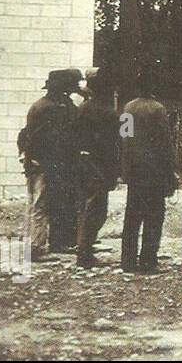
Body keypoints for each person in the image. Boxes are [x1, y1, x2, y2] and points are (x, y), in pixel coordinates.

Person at [18, 69, 82, 259]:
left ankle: (57, 243)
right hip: (43, 165)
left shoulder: (57, 105)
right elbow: (36, 139)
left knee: (54, 203)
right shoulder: (47, 108)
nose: (74, 90)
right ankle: (36, 249)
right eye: (71, 87)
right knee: (40, 205)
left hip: (52, 164)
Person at [120, 68, 176, 273]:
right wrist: (171, 170)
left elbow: (124, 139)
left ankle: (127, 261)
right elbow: (165, 143)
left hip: (134, 171)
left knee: (132, 217)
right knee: (154, 217)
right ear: (153, 86)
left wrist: (125, 169)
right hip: (154, 172)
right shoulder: (158, 109)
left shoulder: (128, 108)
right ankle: (148, 261)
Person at [74, 67, 120, 269]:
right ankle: (84, 252)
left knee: (86, 207)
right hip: (99, 167)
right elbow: (117, 144)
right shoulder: (110, 114)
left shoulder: (83, 108)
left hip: (83, 164)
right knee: (96, 210)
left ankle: (83, 248)